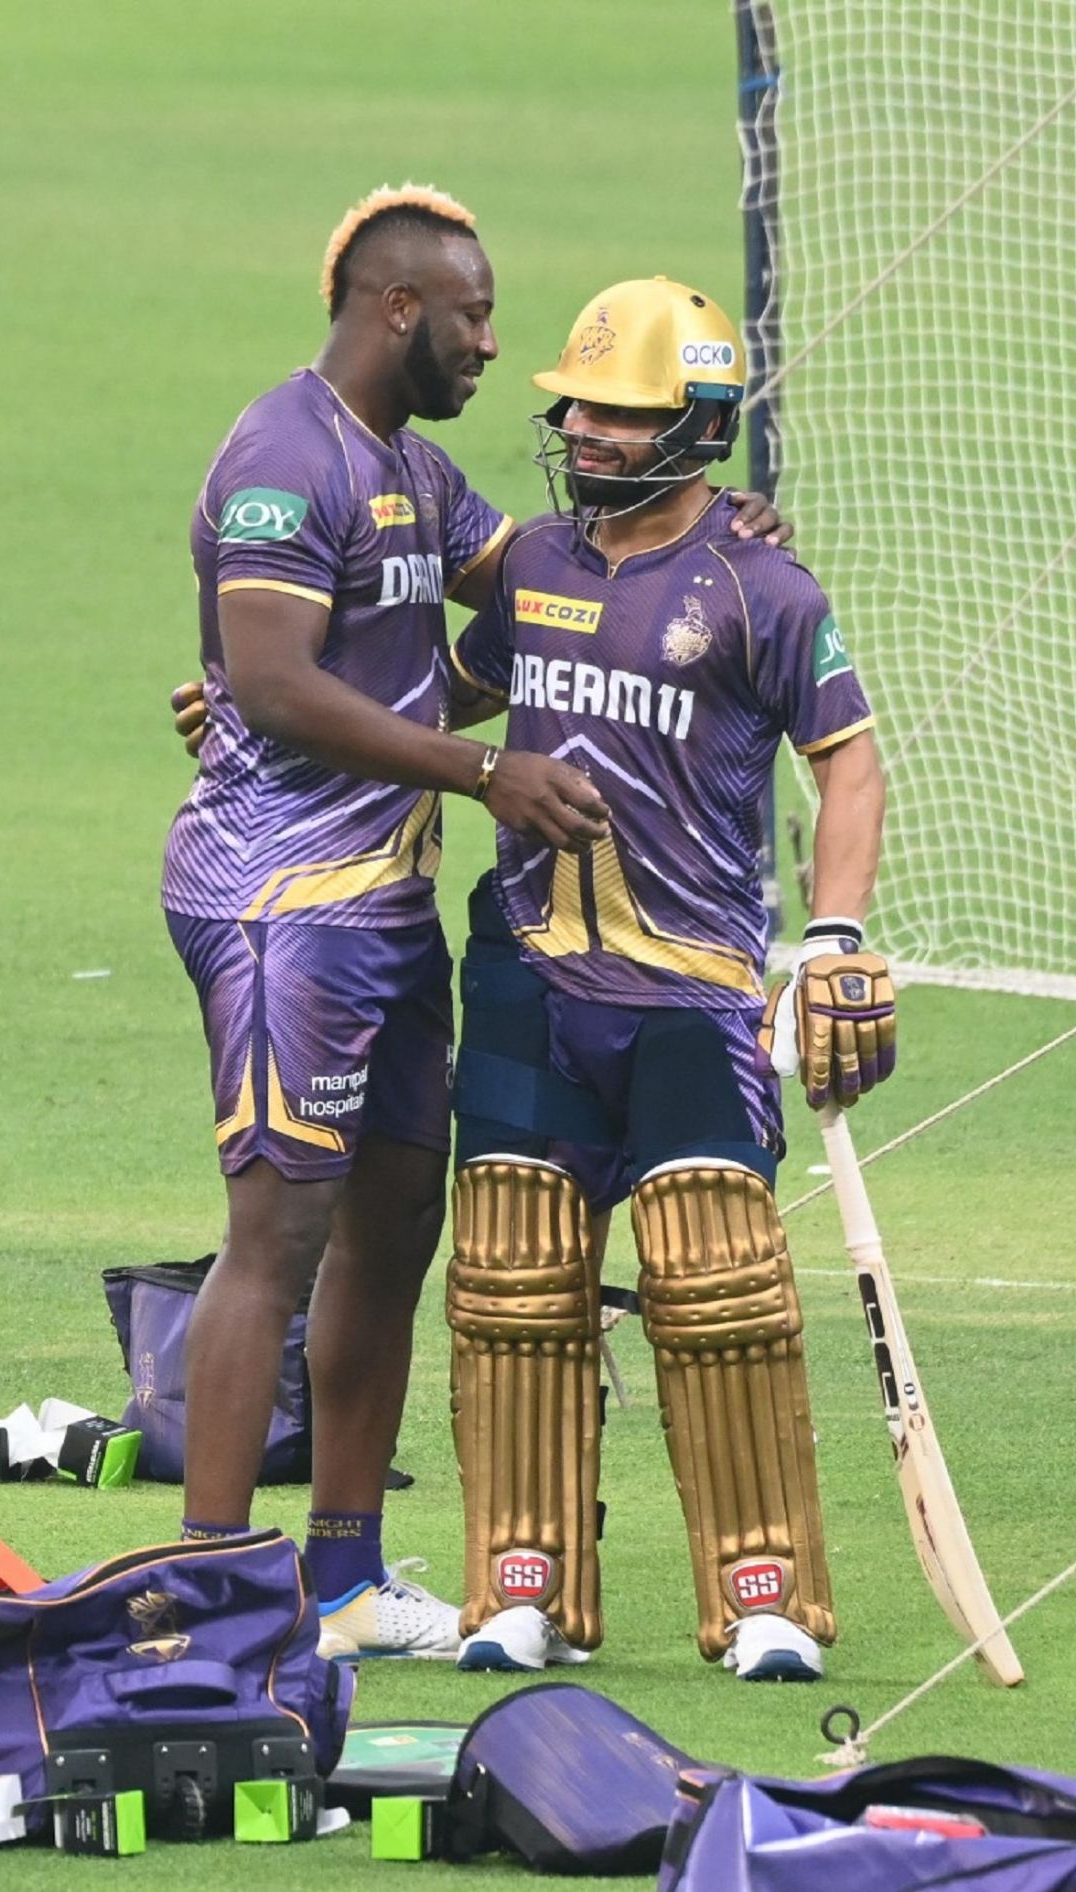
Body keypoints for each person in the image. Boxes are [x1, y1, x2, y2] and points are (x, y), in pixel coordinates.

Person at [164, 185, 791, 1663]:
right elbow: (272, 685)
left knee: (395, 1228)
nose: (494, 345)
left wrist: (717, 529)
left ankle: (342, 1580)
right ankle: (206, 1599)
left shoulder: (418, 473)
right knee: (280, 1234)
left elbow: (561, 585)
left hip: (383, 909)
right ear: (400, 310)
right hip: (277, 904)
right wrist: (483, 770)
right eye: (474, 316)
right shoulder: (280, 455)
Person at [442, 275, 895, 1682]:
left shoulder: (765, 587)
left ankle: (765, 1593)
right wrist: (268, 699)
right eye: (574, 406)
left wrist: (831, 939)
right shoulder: (534, 566)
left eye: (616, 413)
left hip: (691, 988)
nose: (579, 427)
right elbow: (442, 697)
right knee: (514, 1277)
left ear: (693, 423)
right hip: (527, 972)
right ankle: (520, 1584)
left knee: (719, 1282)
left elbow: (852, 764)